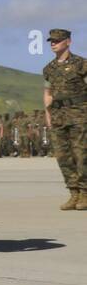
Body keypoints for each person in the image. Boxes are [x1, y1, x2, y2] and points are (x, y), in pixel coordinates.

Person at [42, 28, 87, 210]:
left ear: (68, 41)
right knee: (63, 157)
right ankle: (74, 193)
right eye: (51, 41)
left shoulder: (81, 64)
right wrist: (48, 115)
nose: (54, 44)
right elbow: (47, 94)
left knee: (81, 155)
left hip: (79, 114)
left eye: (57, 41)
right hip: (59, 116)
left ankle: (85, 193)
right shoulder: (49, 69)